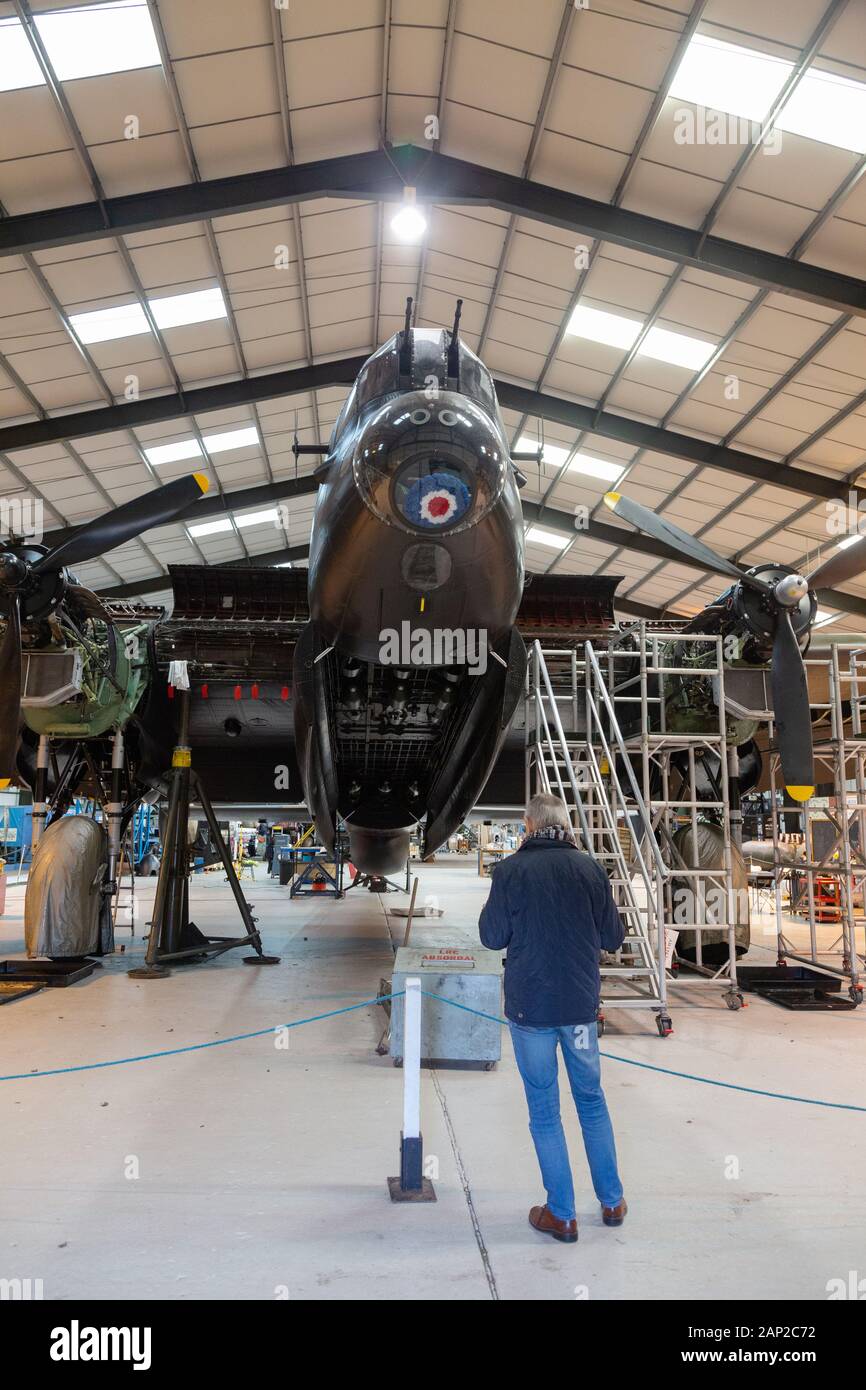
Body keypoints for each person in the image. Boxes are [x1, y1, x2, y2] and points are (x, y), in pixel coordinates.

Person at [479, 792, 626, 1244]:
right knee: (592, 1101)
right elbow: (614, 937)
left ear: (528, 825)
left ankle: (561, 1214)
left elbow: (491, 937)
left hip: (531, 1010)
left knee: (545, 1110)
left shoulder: (511, 871)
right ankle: (612, 1200)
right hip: (580, 1008)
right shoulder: (590, 868)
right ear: (564, 824)